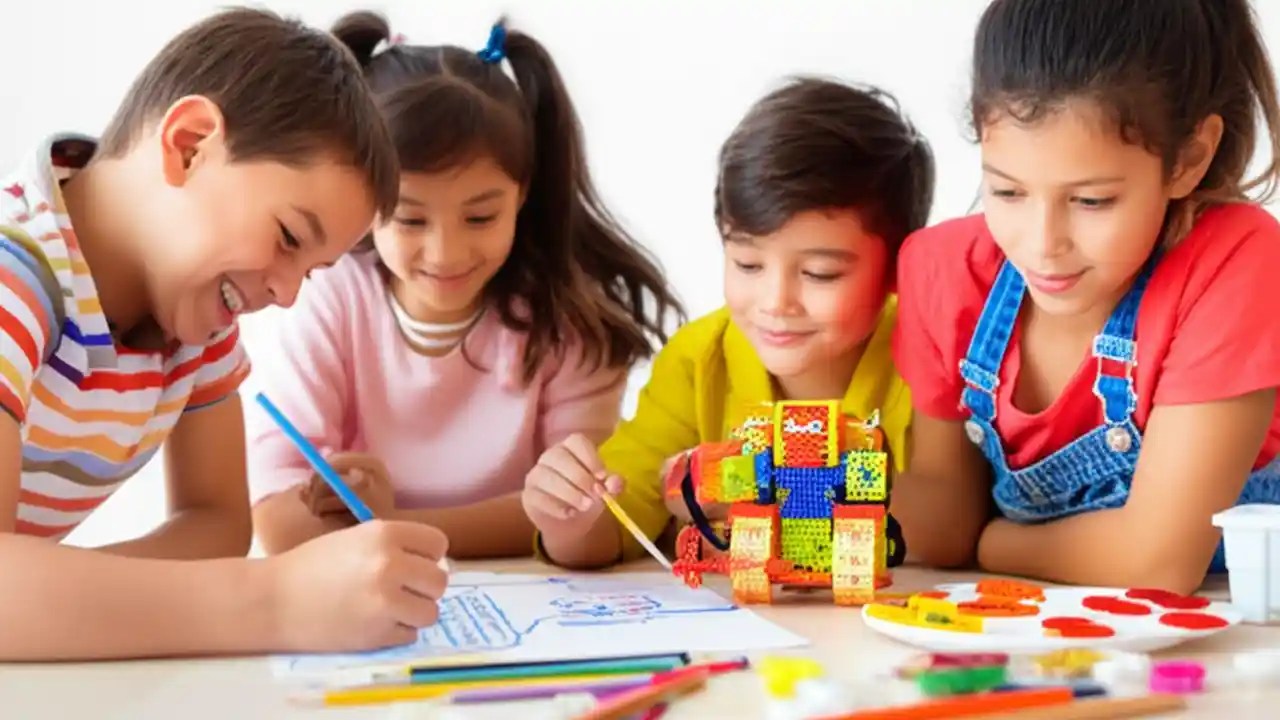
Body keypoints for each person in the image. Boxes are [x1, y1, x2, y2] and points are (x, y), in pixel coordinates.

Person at [0, 7, 450, 660]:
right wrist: (279, 600)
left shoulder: (193, 324)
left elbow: (215, 525)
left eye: (312, 271)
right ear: (189, 144)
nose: (290, 293)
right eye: (290, 238)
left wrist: (59, 600)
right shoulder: (15, 283)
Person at [247, 14, 682, 559]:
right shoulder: (329, 298)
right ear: (364, 207)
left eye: (480, 218)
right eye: (409, 220)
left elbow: (578, 515)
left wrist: (388, 524)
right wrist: (344, 514)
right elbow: (276, 518)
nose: (446, 253)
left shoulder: (569, 318)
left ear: (521, 195)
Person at [891, 0, 1280, 593]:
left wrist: (993, 542)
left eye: (1091, 201)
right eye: (1007, 190)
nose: (1043, 245)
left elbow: (1157, 564)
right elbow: (947, 524)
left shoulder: (1235, 261)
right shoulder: (944, 271)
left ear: (1188, 159)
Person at [524, 77, 935, 569]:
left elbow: (942, 532)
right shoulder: (699, 360)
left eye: (818, 273)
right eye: (747, 264)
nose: (775, 301)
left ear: (898, 268)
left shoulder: (930, 360)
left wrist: (758, 492)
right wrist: (568, 521)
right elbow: (617, 524)